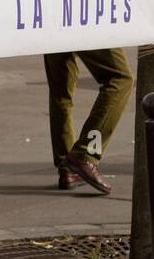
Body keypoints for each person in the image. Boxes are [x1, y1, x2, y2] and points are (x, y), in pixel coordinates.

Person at [43, 49, 133, 194]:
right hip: (88, 27)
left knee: (61, 92)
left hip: (52, 28)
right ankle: (85, 153)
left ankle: (68, 169)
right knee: (121, 79)